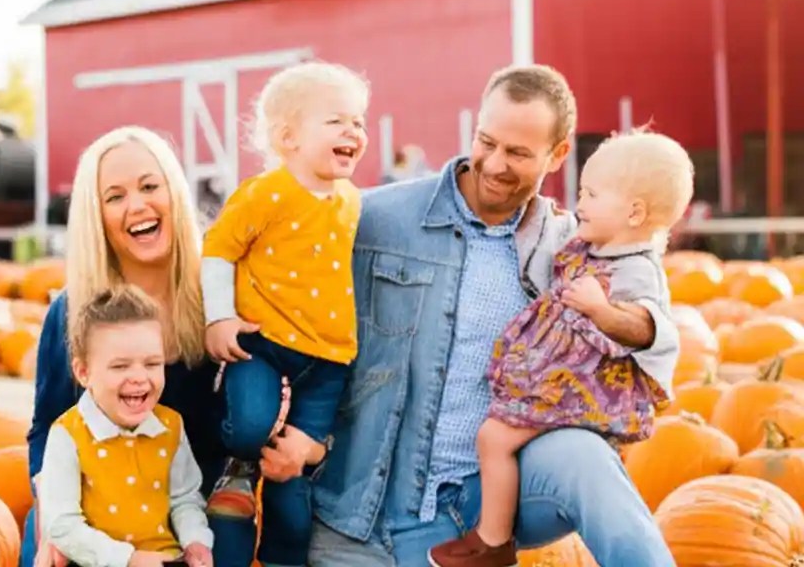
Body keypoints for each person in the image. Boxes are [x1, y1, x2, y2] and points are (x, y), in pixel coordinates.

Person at [302, 65, 679, 566]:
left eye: (519, 153)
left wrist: (625, 317)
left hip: (488, 499)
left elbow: (649, 317)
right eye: (487, 142)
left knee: (585, 458)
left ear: (558, 153)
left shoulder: (571, 248)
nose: (496, 164)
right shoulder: (376, 219)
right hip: (362, 513)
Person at [428, 129, 693, 566]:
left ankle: (492, 542)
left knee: (494, 439)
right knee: (497, 438)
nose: (580, 202)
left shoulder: (637, 269)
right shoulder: (595, 249)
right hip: (565, 386)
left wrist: (600, 309)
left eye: (591, 193)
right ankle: (491, 539)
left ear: (634, 212)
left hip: (582, 393)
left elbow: (643, 324)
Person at [23, 126, 265, 567]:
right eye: (114, 197)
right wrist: (49, 518)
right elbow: (45, 427)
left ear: (173, 192)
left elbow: (256, 403)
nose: (137, 205)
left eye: (150, 186)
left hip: (193, 495)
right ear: (97, 218)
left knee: (226, 545)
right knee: (41, 551)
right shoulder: (73, 312)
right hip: (93, 500)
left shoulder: (220, 300)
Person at [200, 62, 368, 567]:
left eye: (358, 122)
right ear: (289, 136)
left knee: (292, 486)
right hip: (264, 342)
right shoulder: (266, 193)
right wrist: (219, 318)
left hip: (328, 360)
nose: (353, 132)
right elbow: (217, 250)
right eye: (336, 120)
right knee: (250, 427)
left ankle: (280, 554)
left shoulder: (353, 201)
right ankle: (234, 462)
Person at [37, 284, 214, 567]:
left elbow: (185, 499)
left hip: (163, 559)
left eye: (152, 364)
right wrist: (127, 559)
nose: (139, 378)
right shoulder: (68, 434)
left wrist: (196, 540)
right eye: (120, 366)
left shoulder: (170, 426)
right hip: (97, 560)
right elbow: (62, 524)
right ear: (83, 372)